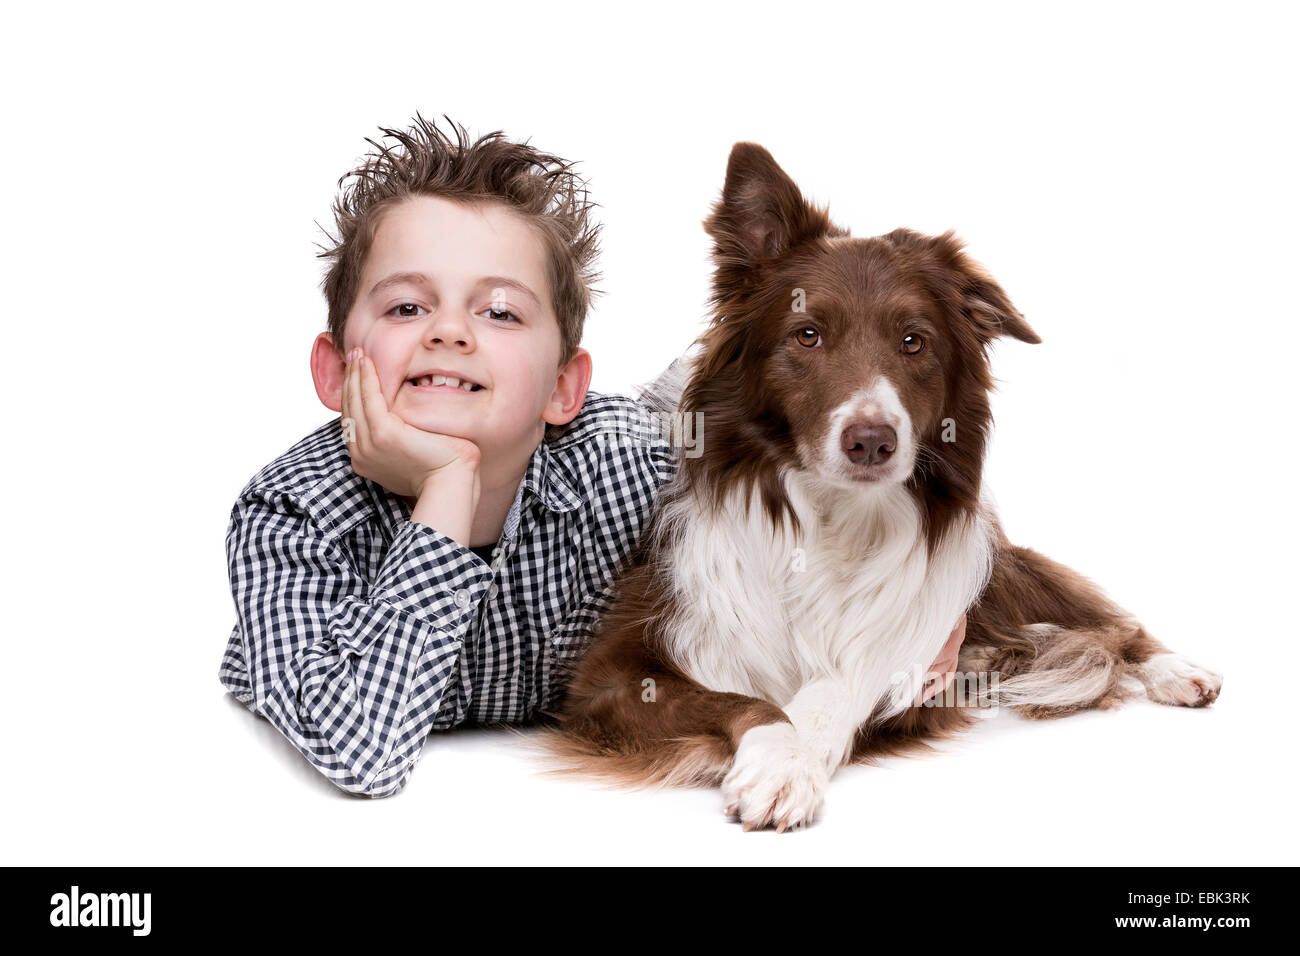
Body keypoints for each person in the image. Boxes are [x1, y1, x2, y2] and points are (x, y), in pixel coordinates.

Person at [217, 113, 964, 797]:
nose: (449, 332)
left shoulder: (615, 461)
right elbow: (359, 750)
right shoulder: (288, 518)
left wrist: (935, 600)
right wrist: (446, 488)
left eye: (500, 311)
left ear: (565, 386)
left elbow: (755, 397)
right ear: (330, 369)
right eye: (407, 306)